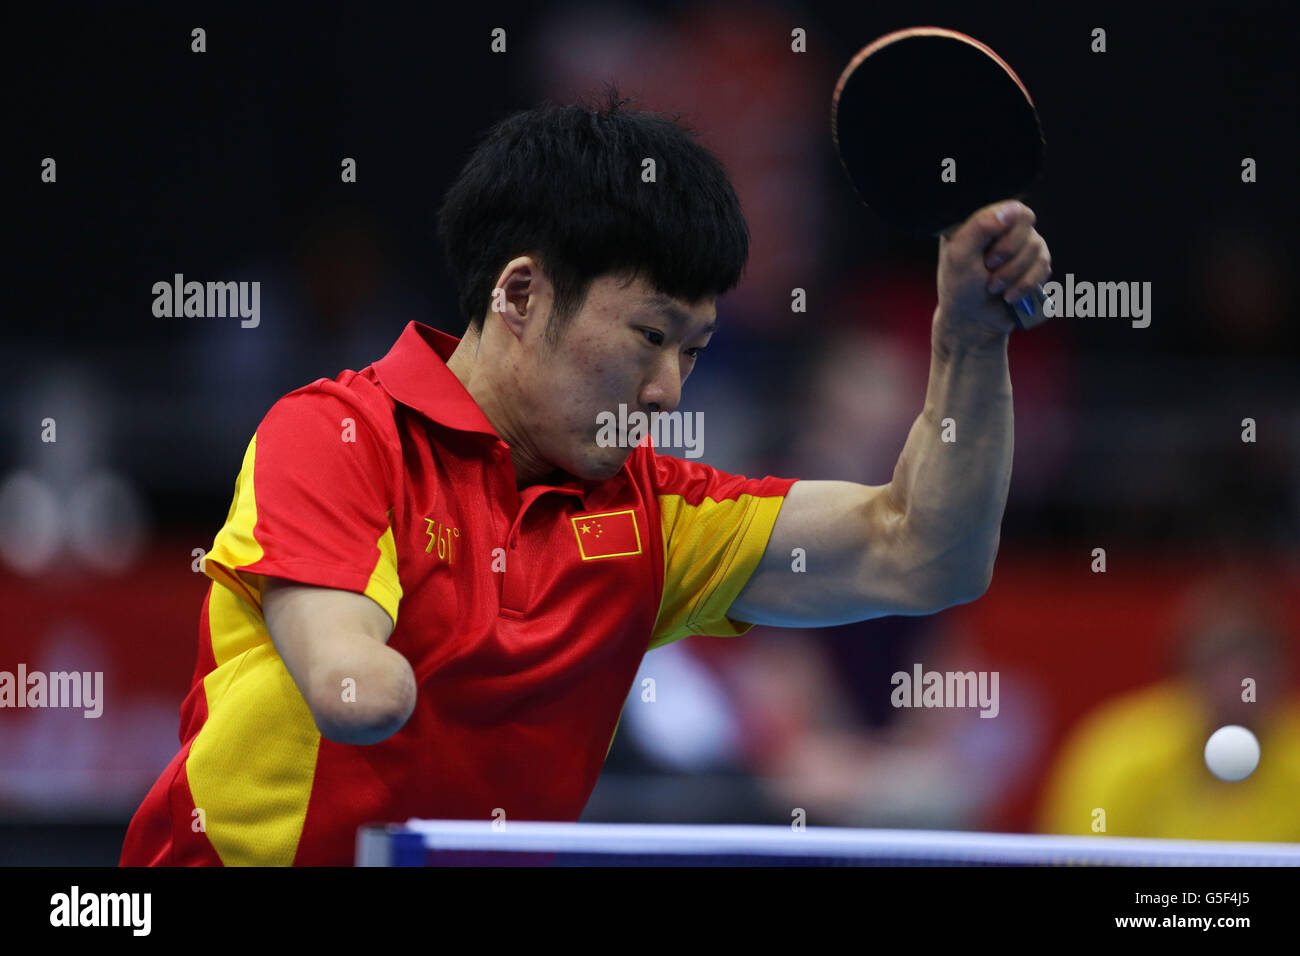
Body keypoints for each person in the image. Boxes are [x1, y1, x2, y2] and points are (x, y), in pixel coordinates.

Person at [120, 91, 1052, 865]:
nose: (666, 390)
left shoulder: (662, 515)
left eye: (694, 350)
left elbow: (925, 553)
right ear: (520, 295)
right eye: (649, 337)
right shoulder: (336, 435)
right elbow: (354, 689)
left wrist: (968, 341)